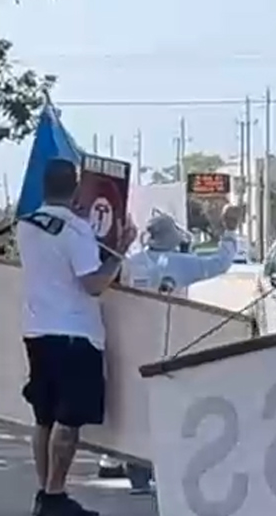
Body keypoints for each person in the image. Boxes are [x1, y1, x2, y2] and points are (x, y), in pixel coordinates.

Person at [18, 158, 135, 516]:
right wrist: (119, 252)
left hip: (37, 329)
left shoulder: (27, 225)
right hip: (75, 333)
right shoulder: (75, 230)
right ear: (76, 188)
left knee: (44, 418)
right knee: (68, 421)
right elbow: (93, 283)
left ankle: (44, 488)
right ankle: (56, 493)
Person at [104, 208, 242, 494]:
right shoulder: (181, 263)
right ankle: (165, 471)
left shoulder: (131, 264)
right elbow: (220, 263)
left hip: (134, 344)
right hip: (171, 343)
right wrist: (228, 232)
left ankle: (138, 475)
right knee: (169, 409)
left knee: (137, 411)